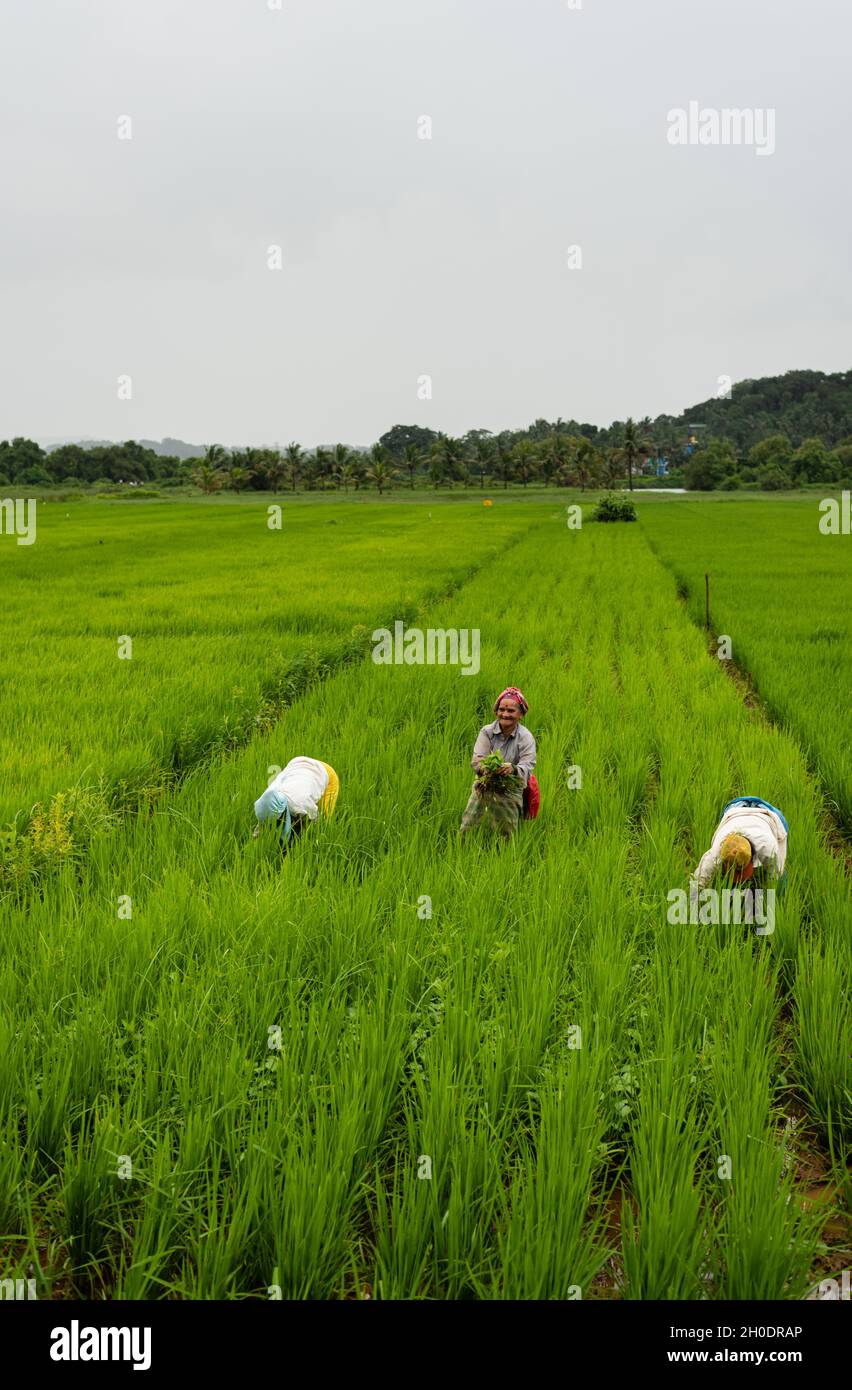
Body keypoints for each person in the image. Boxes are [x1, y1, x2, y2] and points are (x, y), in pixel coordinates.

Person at [459, 686, 536, 840]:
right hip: (484, 783)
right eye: (502, 709)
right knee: (468, 825)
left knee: (506, 832)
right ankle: (463, 847)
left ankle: (505, 856)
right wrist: (486, 770)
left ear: (520, 714)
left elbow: (528, 765)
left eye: (511, 711)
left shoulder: (525, 737)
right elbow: (478, 759)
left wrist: (512, 769)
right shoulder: (486, 732)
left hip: (511, 787)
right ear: (496, 711)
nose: (505, 714)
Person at [692, 795, 788, 889]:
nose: (739, 881)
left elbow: (775, 877)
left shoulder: (768, 848)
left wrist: (766, 895)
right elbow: (699, 882)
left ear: (751, 857)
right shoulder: (716, 853)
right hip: (735, 810)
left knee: (780, 880)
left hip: (769, 814)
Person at [252, 756, 339, 850]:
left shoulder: (300, 803)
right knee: (283, 819)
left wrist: (312, 841)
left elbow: (315, 818)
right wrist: (255, 839)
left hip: (325, 772)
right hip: (296, 764)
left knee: (325, 819)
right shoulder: (266, 799)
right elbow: (264, 822)